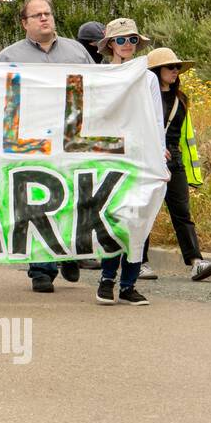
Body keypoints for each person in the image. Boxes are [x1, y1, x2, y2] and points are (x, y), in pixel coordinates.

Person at [0, 0, 92, 293]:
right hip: (30, 138)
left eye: (47, 13)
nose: (44, 18)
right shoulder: (8, 57)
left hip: (70, 136)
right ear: (24, 23)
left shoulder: (77, 52)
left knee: (73, 196)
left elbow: (98, 89)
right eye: (37, 15)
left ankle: (69, 253)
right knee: (37, 198)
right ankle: (41, 268)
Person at [92, 18, 160, 305]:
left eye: (132, 40)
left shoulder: (149, 78)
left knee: (139, 217)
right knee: (113, 217)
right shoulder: (99, 76)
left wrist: (160, 153)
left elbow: (156, 118)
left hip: (141, 154)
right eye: (121, 40)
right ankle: (107, 279)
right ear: (110, 45)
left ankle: (129, 284)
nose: (128, 45)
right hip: (110, 155)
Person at [146, 47, 211, 283]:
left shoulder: (181, 99)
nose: (176, 71)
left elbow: (185, 137)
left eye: (178, 67)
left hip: (175, 163)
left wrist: (191, 170)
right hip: (149, 162)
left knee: (182, 215)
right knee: (145, 214)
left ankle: (196, 262)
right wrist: (154, 147)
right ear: (157, 71)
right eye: (171, 67)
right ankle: (139, 263)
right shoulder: (145, 97)